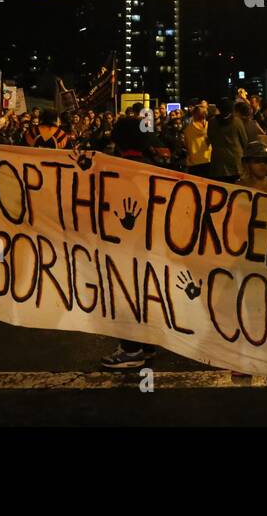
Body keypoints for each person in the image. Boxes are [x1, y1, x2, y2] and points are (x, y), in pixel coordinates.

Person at [99, 115, 162, 371]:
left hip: (125, 246)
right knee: (142, 292)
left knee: (125, 294)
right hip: (148, 245)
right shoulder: (150, 164)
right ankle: (146, 344)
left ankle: (130, 349)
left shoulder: (120, 168)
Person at [208, 99, 249, 183]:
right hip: (236, 163)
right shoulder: (236, 121)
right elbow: (244, 141)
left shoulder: (212, 122)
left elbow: (210, 138)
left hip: (218, 163)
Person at [183, 105, 212, 177]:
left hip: (194, 163)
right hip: (208, 160)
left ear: (194, 114)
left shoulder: (188, 130)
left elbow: (186, 145)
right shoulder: (210, 127)